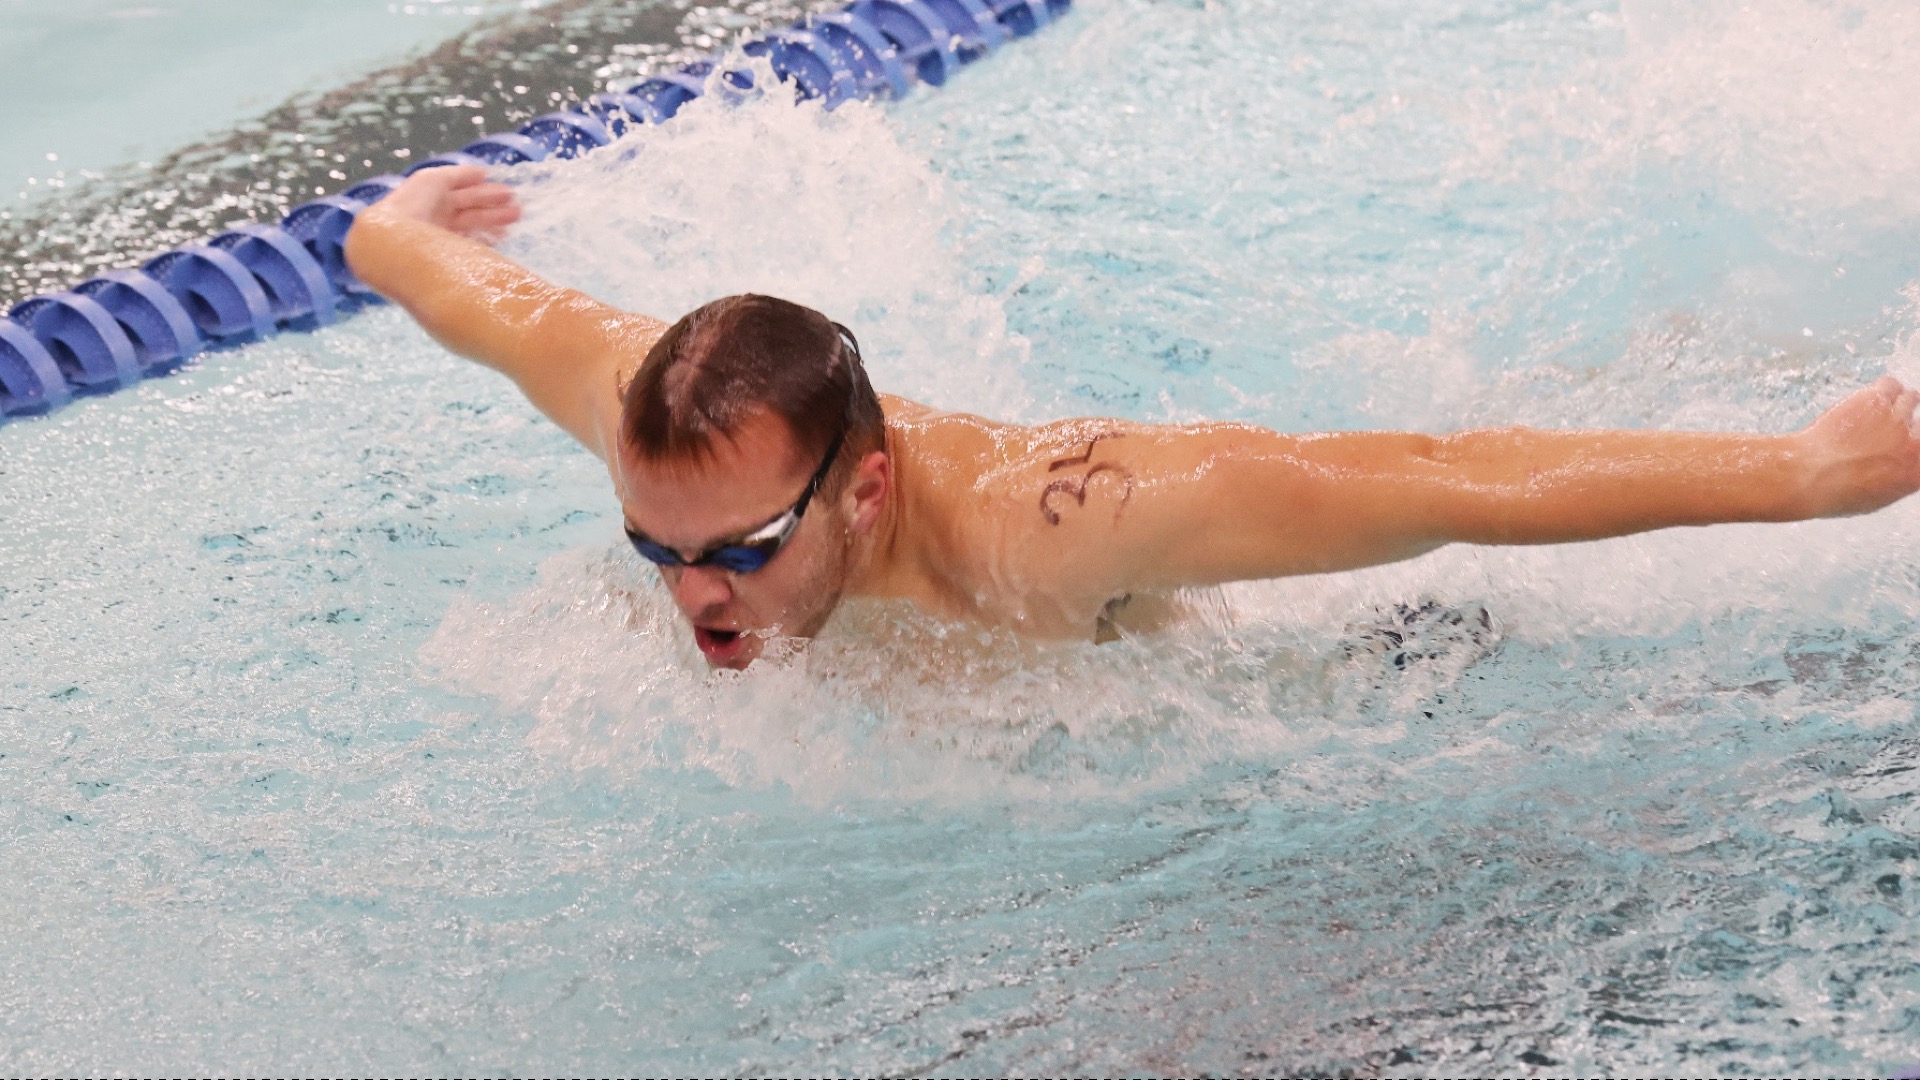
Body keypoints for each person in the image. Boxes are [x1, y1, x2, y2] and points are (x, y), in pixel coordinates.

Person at [344, 165, 1920, 669]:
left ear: (868, 488)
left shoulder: (1063, 524)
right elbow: (422, 270)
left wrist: (1802, 469)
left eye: (741, 553)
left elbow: (1451, 479)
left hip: (1354, 670)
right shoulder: (658, 427)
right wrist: (408, 223)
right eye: (658, 549)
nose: (695, 596)